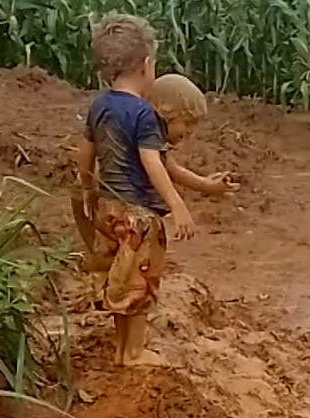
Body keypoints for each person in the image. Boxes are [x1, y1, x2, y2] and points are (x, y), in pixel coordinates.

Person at [73, 14, 233, 366]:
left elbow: (85, 151)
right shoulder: (144, 113)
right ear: (145, 65)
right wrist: (177, 206)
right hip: (138, 217)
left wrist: (86, 188)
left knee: (120, 276)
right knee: (140, 284)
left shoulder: (99, 105)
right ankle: (134, 352)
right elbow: (154, 163)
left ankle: (120, 349)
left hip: (107, 210)